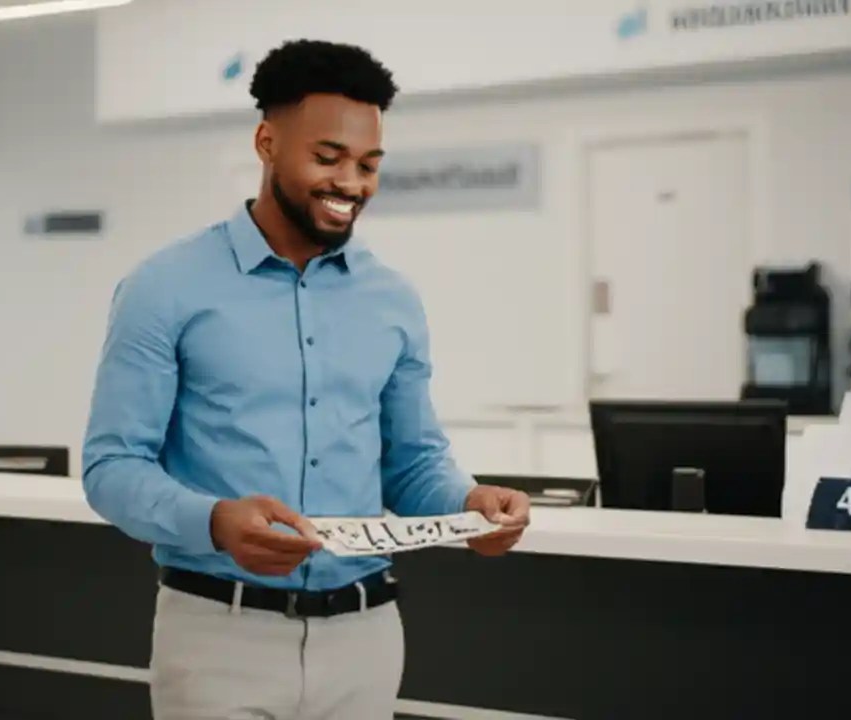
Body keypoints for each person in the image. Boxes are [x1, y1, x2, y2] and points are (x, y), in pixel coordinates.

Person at [82, 39, 530, 719]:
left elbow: (411, 464)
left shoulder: (393, 300)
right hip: (217, 638)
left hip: (366, 637)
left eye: (368, 165)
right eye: (327, 158)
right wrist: (213, 521)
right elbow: (111, 467)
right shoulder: (163, 287)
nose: (350, 183)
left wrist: (469, 506)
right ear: (266, 142)